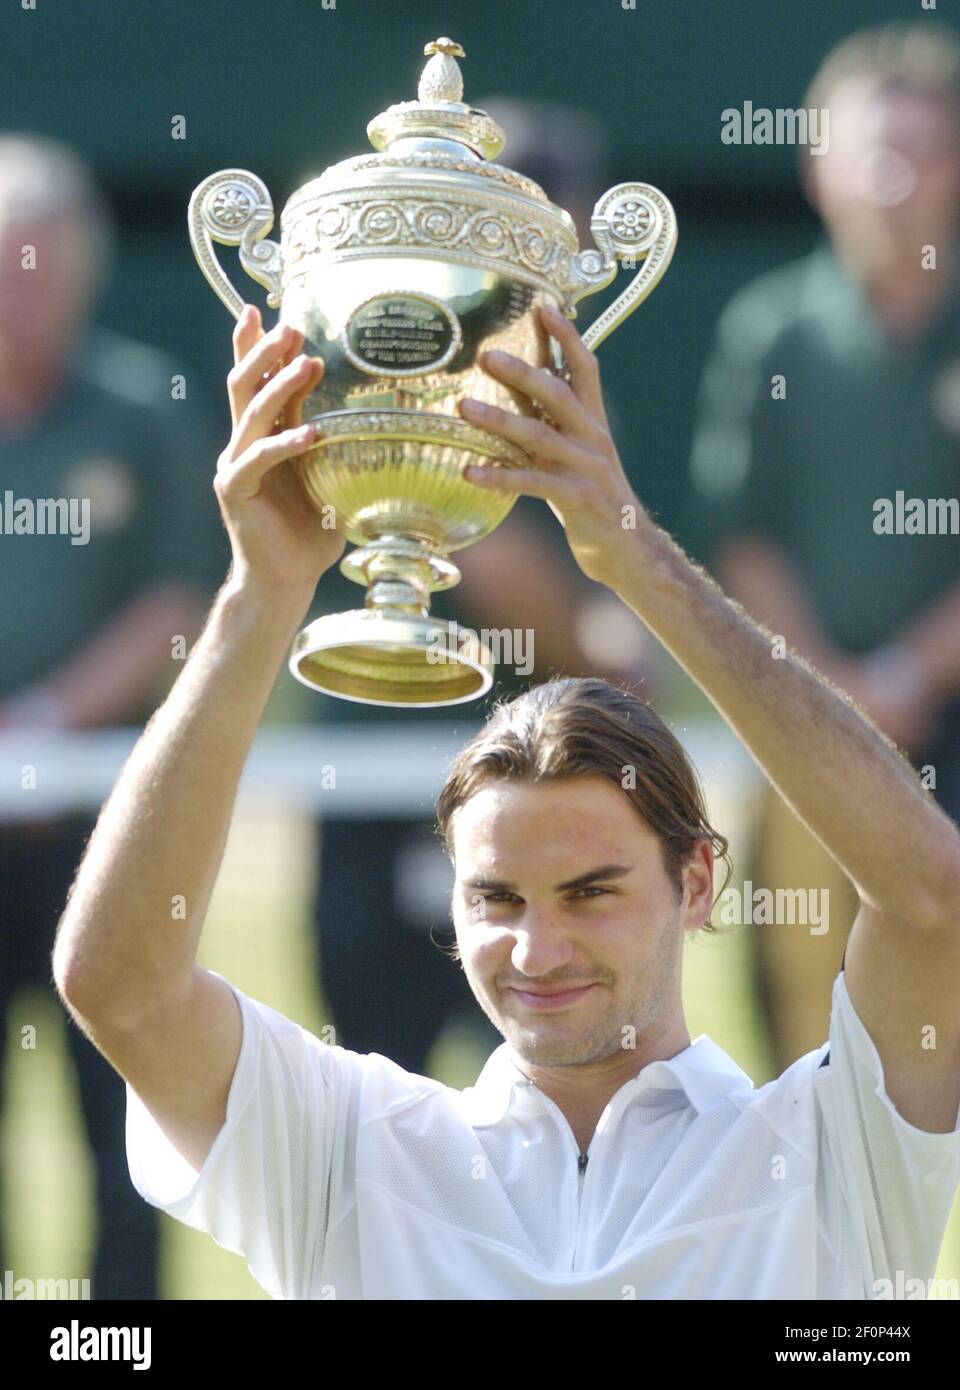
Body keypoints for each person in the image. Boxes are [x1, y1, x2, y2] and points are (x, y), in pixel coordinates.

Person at [51, 302, 960, 1299]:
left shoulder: (831, 1151)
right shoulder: (352, 1149)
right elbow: (119, 986)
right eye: (497, 898)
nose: (537, 950)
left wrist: (633, 557)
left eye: (589, 892)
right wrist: (258, 596)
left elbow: (929, 898)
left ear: (698, 880)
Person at [300, 97, 654, 1075]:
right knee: (384, 1084)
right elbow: (498, 563)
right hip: (391, 765)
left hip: (512, 780)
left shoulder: (552, 358)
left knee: (548, 1087)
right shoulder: (451, 346)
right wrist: (608, 655)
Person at [688, 21, 960, 1071]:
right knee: (805, 1016)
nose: (896, 181)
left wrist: (903, 674)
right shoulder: (772, 334)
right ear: (819, 170)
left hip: (938, 714)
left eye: (924, 153)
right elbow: (740, 532)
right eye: (872, 153)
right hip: (808, 727)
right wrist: (832, 689)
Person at [0, 134, 227, 1297]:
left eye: (41, 260)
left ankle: (119, 1333)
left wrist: (46, 720)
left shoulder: (141, 409)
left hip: (105, 822)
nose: (18, 284)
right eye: (2, 259)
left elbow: (179, 598)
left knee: (122, 1100)